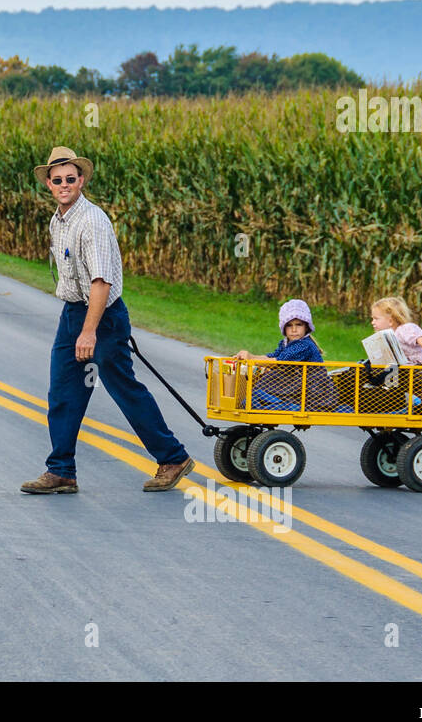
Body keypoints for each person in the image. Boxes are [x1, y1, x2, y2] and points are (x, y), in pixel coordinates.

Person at [21, 146, 193, 494]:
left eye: (71, 178)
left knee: (122, 388)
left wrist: (90, 332)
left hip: (103, 317)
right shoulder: (59, 220)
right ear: (49, 185)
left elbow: (102, 281)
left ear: (81, 180)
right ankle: (61, 471)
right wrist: (78, 326)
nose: (65, 184)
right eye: (58, 180)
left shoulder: (93, 221)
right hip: (73, 313)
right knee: (64, 391)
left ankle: (173, 457)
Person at [234, 299, 338, 411]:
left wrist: (251, 358)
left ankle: (269, 406)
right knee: (259, 391)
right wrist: (250, 356)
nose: (294, 330)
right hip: (299, 389)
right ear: (284, 328)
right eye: (289, 325)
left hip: (314, 394)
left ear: (306, 327)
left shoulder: (304, 345)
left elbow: (278, 362)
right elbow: (271, 357)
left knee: (257, 396)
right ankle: (261, 402)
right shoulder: (286, 343)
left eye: (299, 325)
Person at [369, 296, 422, 365]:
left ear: (390, 321)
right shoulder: (387, 337)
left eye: (376, 319)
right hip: (413, 369)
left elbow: (421, 339)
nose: (372, 322)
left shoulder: (405, 329)